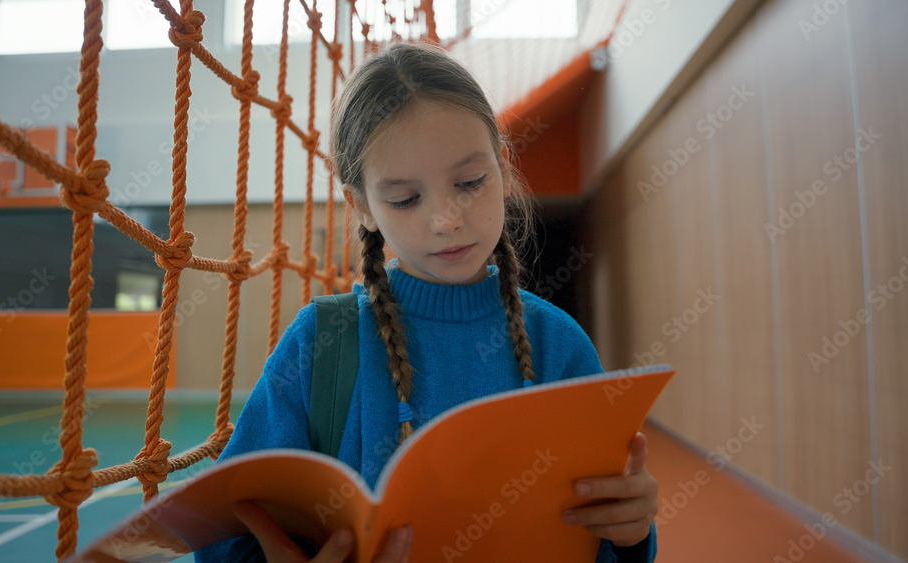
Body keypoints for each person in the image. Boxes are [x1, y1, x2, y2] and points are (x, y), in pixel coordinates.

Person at [196, 41, 658, 562]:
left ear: (503, 170)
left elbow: (602, 537)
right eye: (405, 199)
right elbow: (223, 539)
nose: (446, 219)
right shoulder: (319, 345)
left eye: (469, 182)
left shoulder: (559, 344)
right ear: (362, 205)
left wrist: (632, 531)